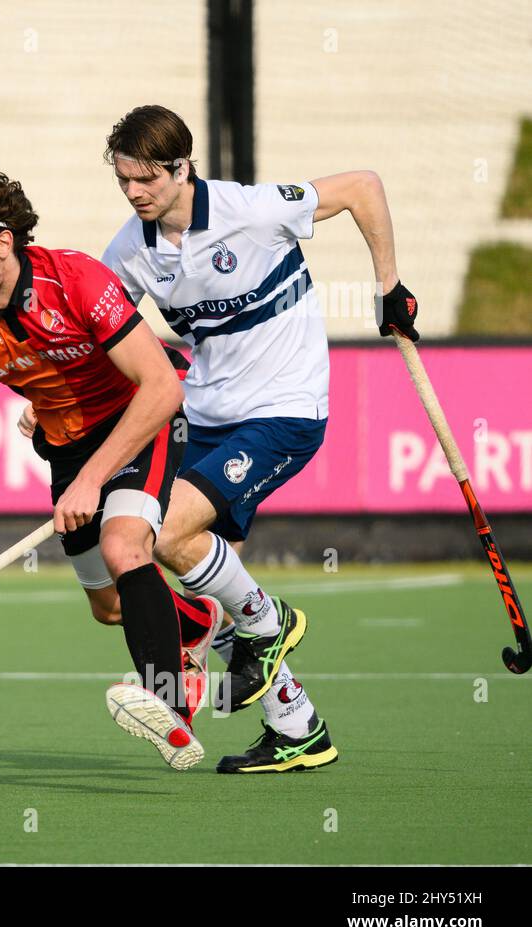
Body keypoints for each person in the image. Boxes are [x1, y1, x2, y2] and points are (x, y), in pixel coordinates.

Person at [96, 104, 419, 772]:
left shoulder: (252, 209)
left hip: (284, 412)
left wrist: (388, 285)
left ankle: (271, 621)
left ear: (182, 167)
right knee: (206, 580)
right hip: (208, 416)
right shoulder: (131, 250)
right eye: (124, 180)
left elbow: (363, 186)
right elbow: (103, 337)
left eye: (146, 179)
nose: (134, 193)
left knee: (164, 537)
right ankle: (298, 727)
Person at [0, 164, 227, 771]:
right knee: (110, 606)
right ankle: (192, 620)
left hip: (141, 418)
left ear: (2, 243)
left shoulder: (75, 278)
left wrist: (91, 480)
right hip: (67, 442)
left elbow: (162, 387)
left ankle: (172, 709)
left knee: (123, 542)